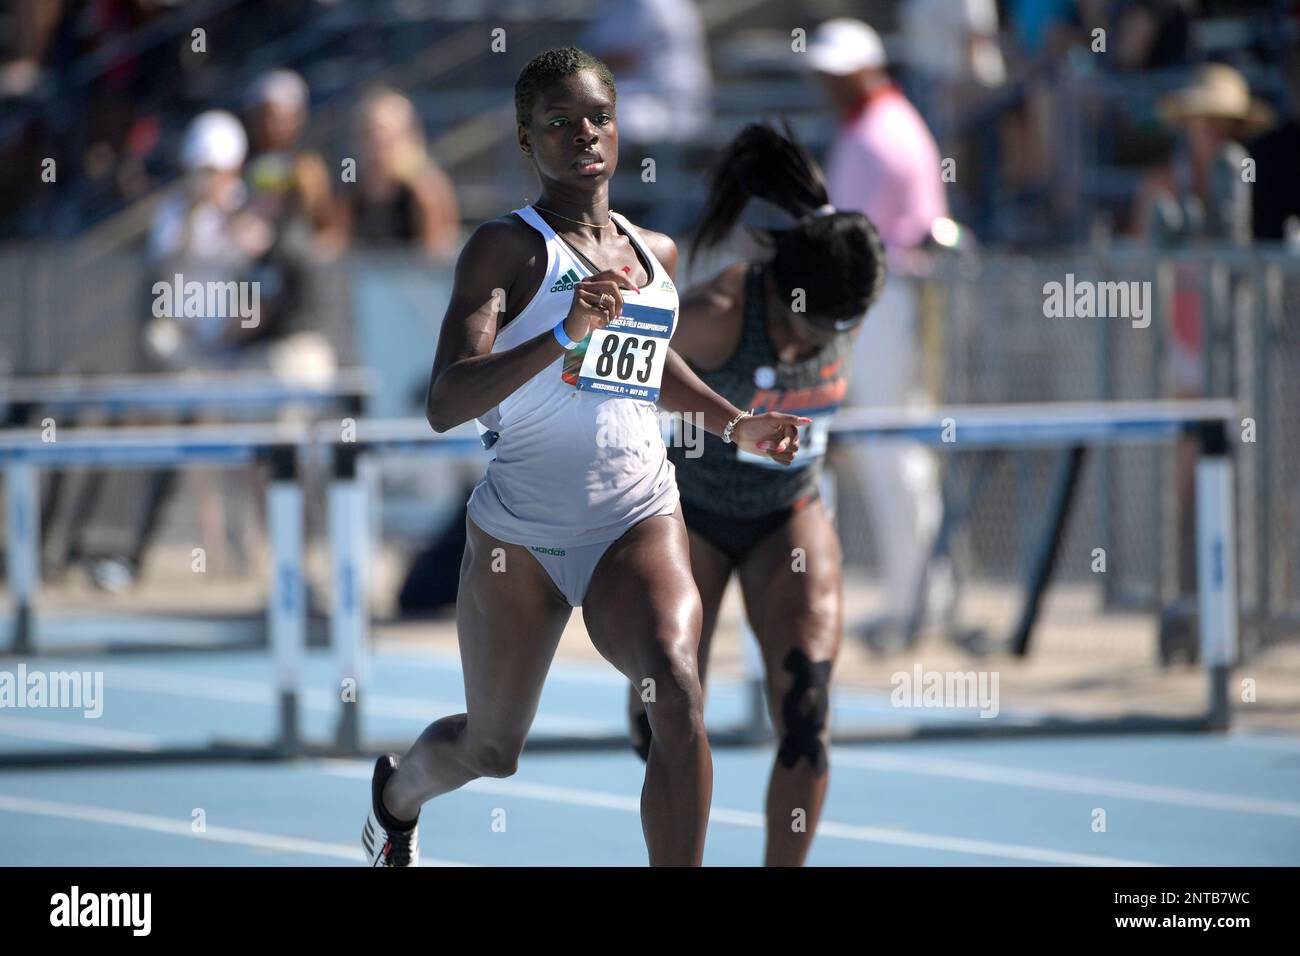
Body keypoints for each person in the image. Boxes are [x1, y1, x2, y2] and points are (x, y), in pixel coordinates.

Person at [361, 47, 809, 867]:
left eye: (598, 117)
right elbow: (445, 401)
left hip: (633, 519)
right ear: (527, 143)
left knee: (676, 691)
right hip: (519, 541)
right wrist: (563, 334)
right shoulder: (505, 250)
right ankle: (394, 799)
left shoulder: (656, 253)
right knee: (492, 749)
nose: (584, 136)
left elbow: (651, 366)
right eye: (559, 123)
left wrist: (733, 421)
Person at [623, 123, 886, 866]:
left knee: (806, 709)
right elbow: (622, 368)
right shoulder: (717, 314)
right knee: (664, 717)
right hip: (692, 516)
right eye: (803, 330)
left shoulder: (845, 282)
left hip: (788, 516)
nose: (811, 347)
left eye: (836, 332)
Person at [806, 18, 949, 649]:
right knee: (890, 446)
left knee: (892, 445)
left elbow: (846, 233)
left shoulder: (878, 132)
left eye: (840, 72)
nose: (830, 85)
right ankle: (916, 598)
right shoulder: (877, 125)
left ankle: (914, 602)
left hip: (885, 299)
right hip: (884, 298)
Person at [342, 88, 460, 257]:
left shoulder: (425, 188)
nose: (375, 145)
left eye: (385, 137)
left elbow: (435, 252)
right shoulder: (354, 186)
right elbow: (339, 241)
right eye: (369, 135)